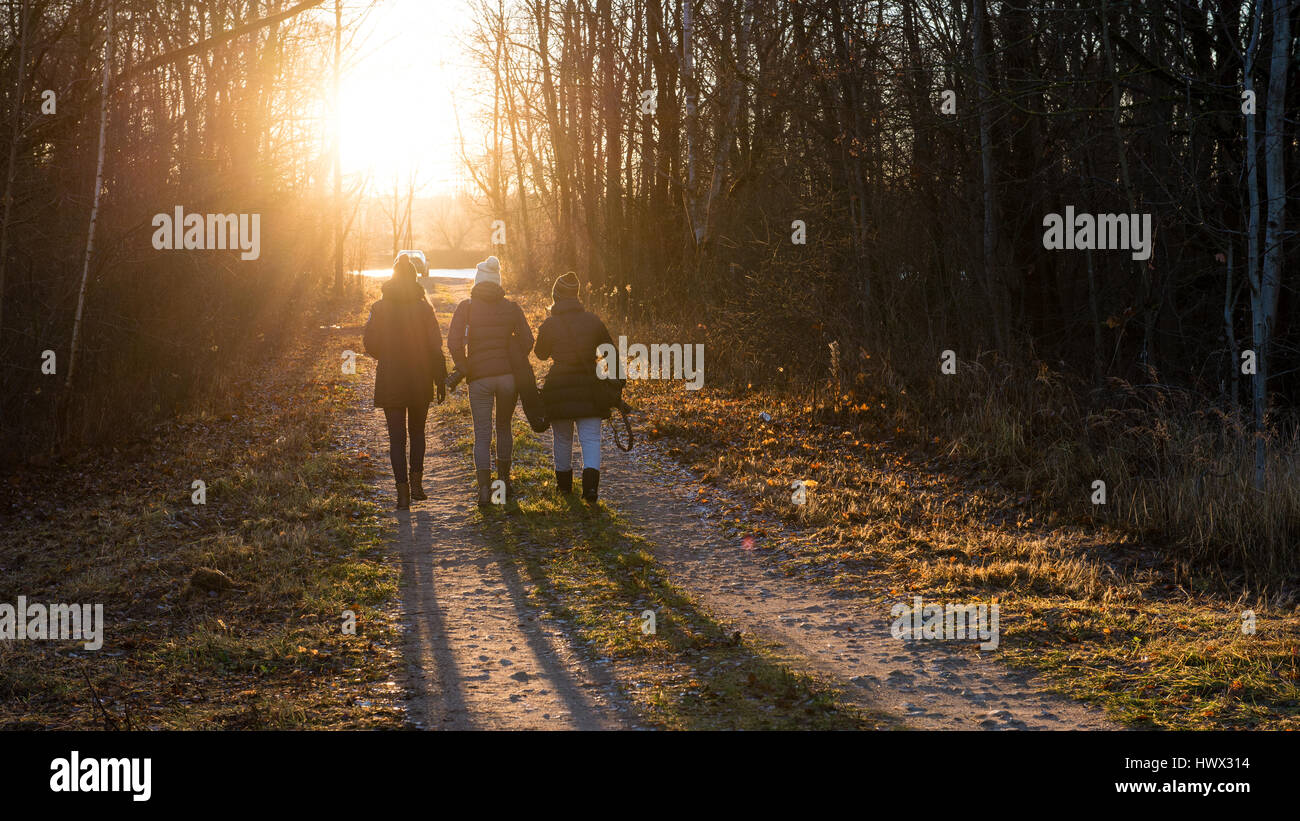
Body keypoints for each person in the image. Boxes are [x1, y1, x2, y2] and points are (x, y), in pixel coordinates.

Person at [448, 255, 533, 507]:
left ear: (477, 282)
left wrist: (465, 367)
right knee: (504, 427)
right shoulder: (512, 307)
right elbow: (528, 340)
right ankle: (503, 485)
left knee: (482, 433)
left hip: (479, 380)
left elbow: (453, 343)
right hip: (508, 379)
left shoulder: (466, 307)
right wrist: (512, 359)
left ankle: (485, 490)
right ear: (497, 282)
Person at [363, 255, 447, 510]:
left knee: (396, 439)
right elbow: (435, 346)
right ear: (414, 278)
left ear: (393, 277)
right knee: (418, 432)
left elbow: (369, 343)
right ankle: (417, 484)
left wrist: (386, 355)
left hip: (391, 378)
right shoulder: (424, 308)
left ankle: (402, 494)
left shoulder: (379, 307)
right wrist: (440, 379)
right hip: (420, 377)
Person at [533, 271, 614, 503]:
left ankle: (564, 489)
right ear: (577, 297)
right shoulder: (593, 321)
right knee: (591, 439)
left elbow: (540, 354)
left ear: (556, 296)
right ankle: (590, 490)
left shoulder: (551, 323)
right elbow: (611, 354)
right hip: (590, 388)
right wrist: (614, 385)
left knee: (562, 438)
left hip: (558, 387)